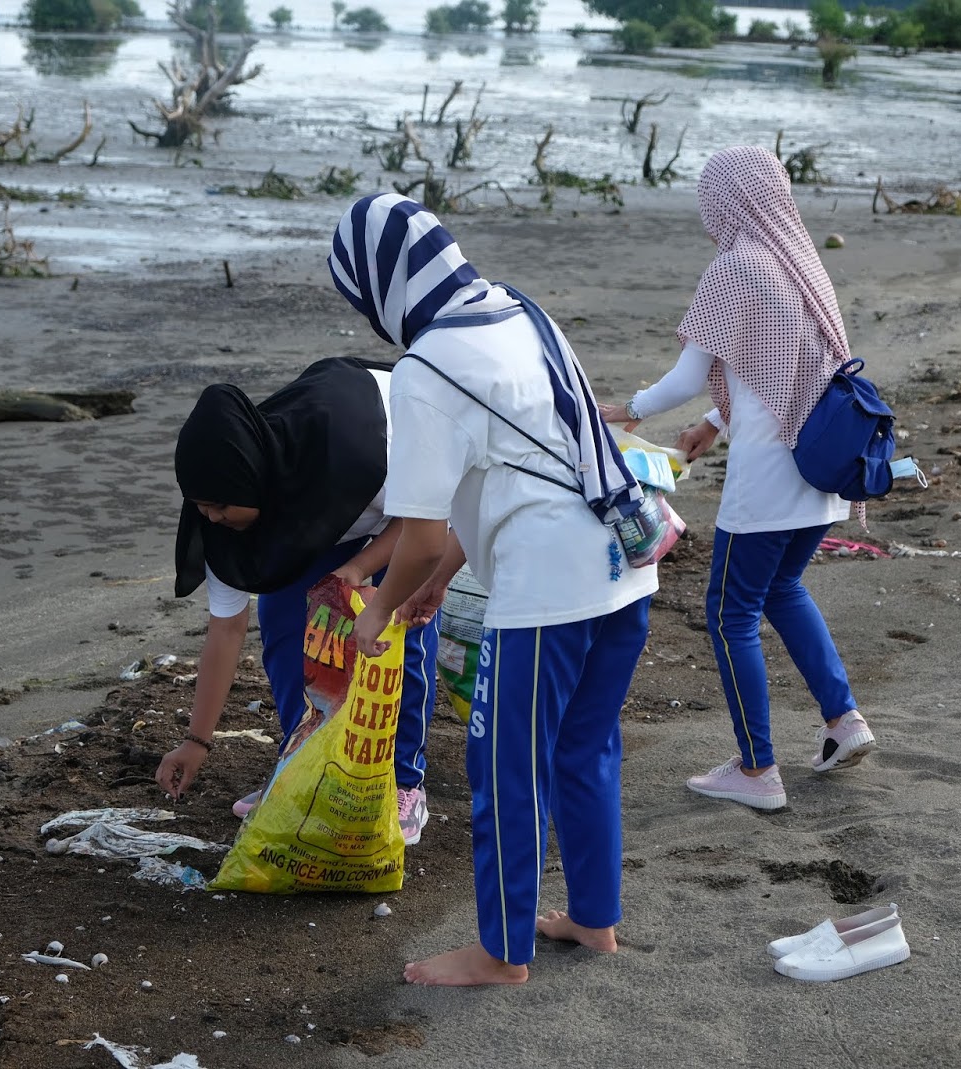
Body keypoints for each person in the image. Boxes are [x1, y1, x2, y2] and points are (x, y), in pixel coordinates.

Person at [332, 192, 659, 987]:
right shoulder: (519, 309)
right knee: (586, 747)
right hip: (625, 559)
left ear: (379, 286)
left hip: (548, 589)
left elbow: (419, 534)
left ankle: (502, 952)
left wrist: (378, 609)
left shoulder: (424, 368)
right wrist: (443, 578)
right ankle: (594, 919)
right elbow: (519, 465)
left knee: (507, 765)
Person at [599, 144, 876, 813]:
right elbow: (781, 369)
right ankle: (843, 719)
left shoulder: (736, 267)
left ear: (727, 201)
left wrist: (626, 409)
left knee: (729, 615)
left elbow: (688, 376)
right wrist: (713, 423)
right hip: (819, 474)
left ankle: (757, 768)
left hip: (769, 480)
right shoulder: (798, 259)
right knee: (781, 588)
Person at [155, 357, 440, 846]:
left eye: (220, 506)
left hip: (406, 495)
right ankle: (304, 769)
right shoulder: (222, 523)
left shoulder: (357, 453)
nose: (212, 518)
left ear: (251, 479)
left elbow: (424, 524)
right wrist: (196, 741)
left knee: (398, 630)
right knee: (286, 623)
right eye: (201, 508)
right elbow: (226, 631)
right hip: (310, 518)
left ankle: (402, 782)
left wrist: (358, 570)